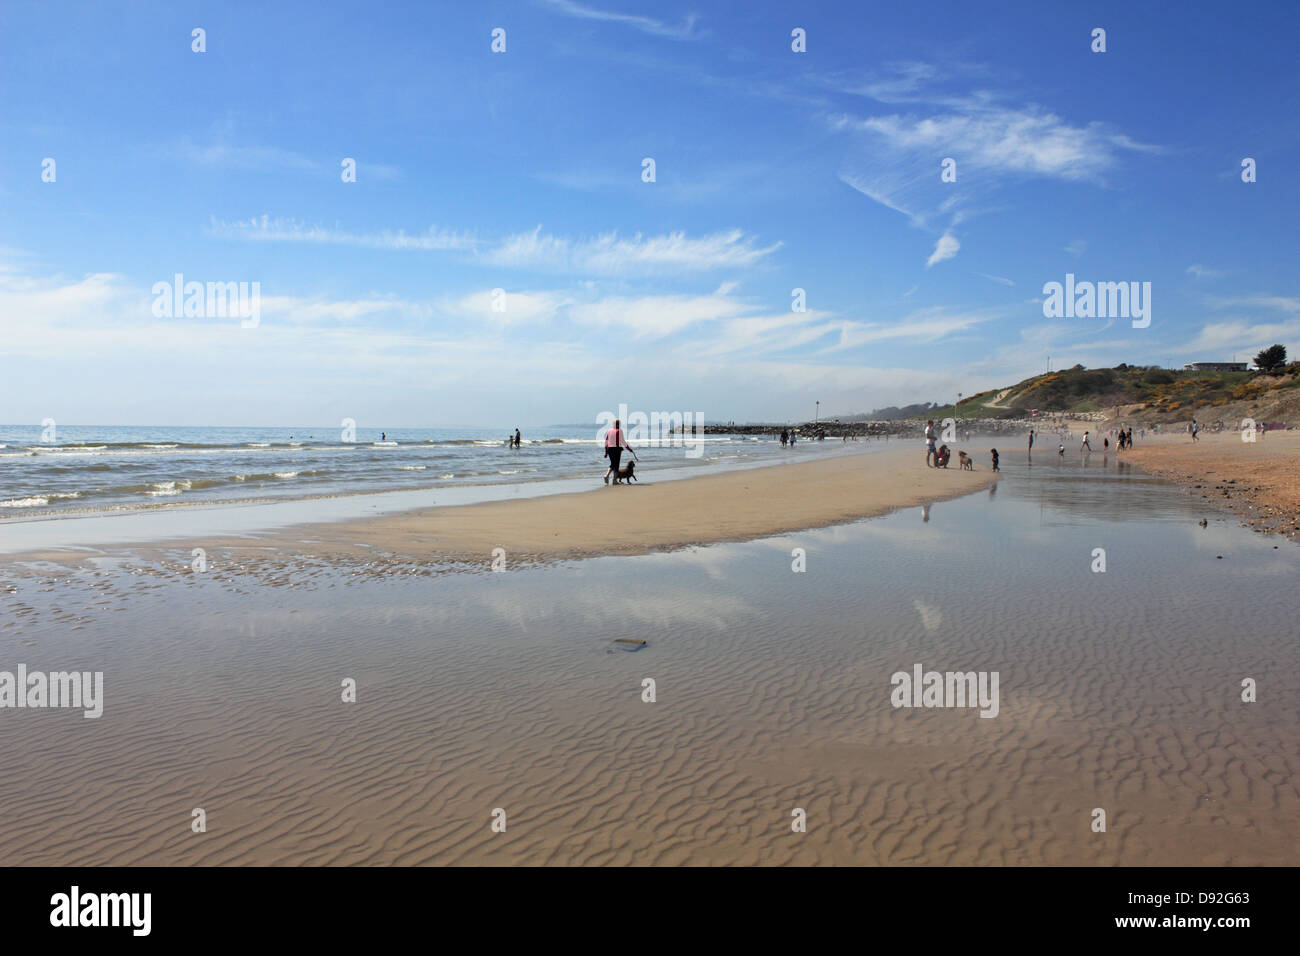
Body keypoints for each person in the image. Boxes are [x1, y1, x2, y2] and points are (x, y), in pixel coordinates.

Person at [603, 418, 632, 484]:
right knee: (616, 465)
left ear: (613, 424)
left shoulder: (609, 431)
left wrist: (606, 452)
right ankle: (614, 480)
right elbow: (623, 441)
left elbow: (606, 442)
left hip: (610, 449)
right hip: (617, 449)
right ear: (619, 424)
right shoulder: (620, 431)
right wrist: (629, 449)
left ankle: (607, 475)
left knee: (612, 464)